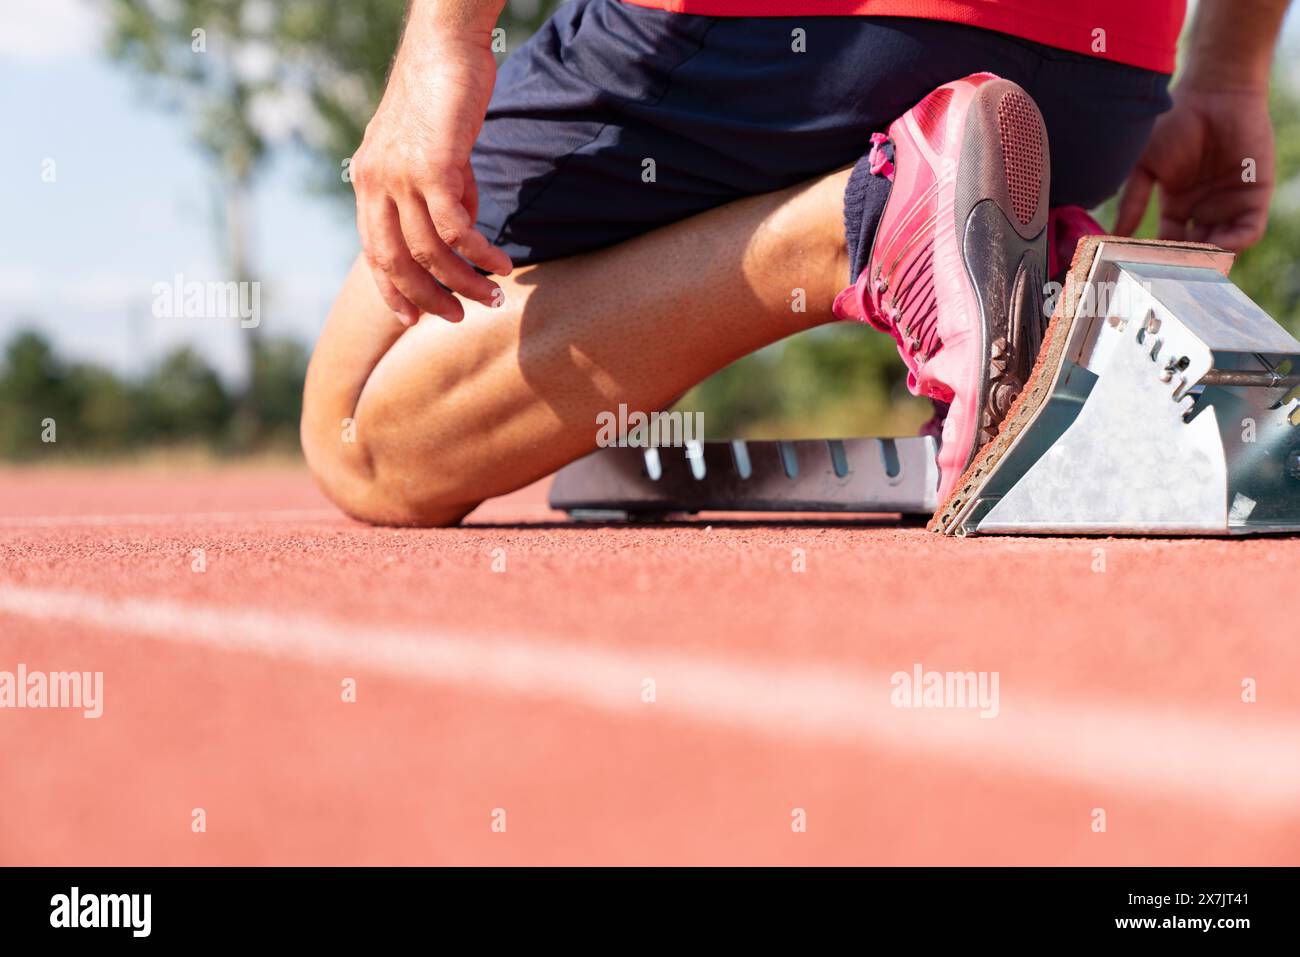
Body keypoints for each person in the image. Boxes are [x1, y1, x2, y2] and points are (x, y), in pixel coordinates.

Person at [301, 0, 1290, 525]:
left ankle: (867, 216)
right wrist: (1225, 70)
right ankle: (1016, 248)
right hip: (1098, 77)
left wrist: (447, 40)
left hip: (781, 33)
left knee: (360, 438)